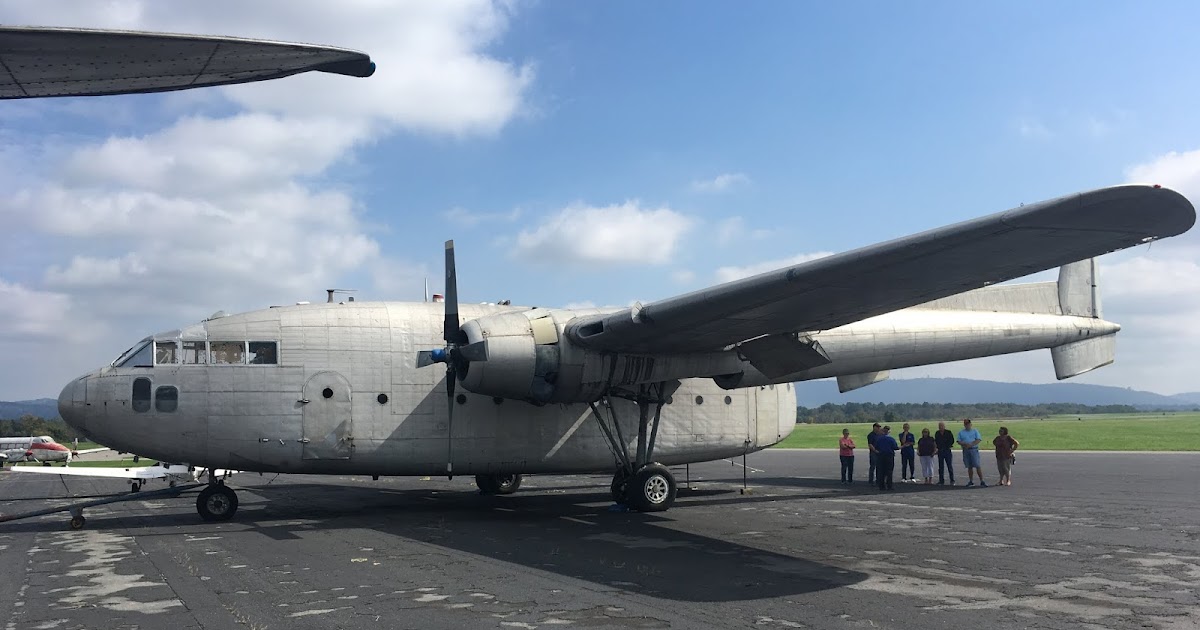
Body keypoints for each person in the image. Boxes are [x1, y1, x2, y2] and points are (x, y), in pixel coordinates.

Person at [957, 418, 987, 487]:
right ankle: (971, 481)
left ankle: (982, 480)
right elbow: (958, 441)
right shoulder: (961, 432)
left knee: (977, 465)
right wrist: (965, 444)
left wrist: (971, 444)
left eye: (968, 424)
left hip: (973, 449)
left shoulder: (975, 431)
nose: (967, 425)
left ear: (971, 424)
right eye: (965, 424)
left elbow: (978, 439)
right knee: (969, 466)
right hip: (966, 450)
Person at [874, 425, 899, 491]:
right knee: (889, 471)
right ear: (889, 431)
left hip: (881, 456)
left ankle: (881, 486)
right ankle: (889, 485)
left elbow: (876, 447)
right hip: (889, 456)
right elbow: (895, 447)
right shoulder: (891, 439)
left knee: (881, 471)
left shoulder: (879, 439)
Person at [934, 421, 956, 485]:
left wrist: (948, 446)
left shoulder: (948, 432)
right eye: (939, 426)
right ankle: (941, 480)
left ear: (944, 426)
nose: (941, 427)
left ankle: (952, 480)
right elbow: (936, 441)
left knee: (949, 466)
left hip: (947, 450)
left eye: (942, 426)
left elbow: (952, 440)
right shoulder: (937, 433)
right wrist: (937, 448)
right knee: (941, 466)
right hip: (940, 451)